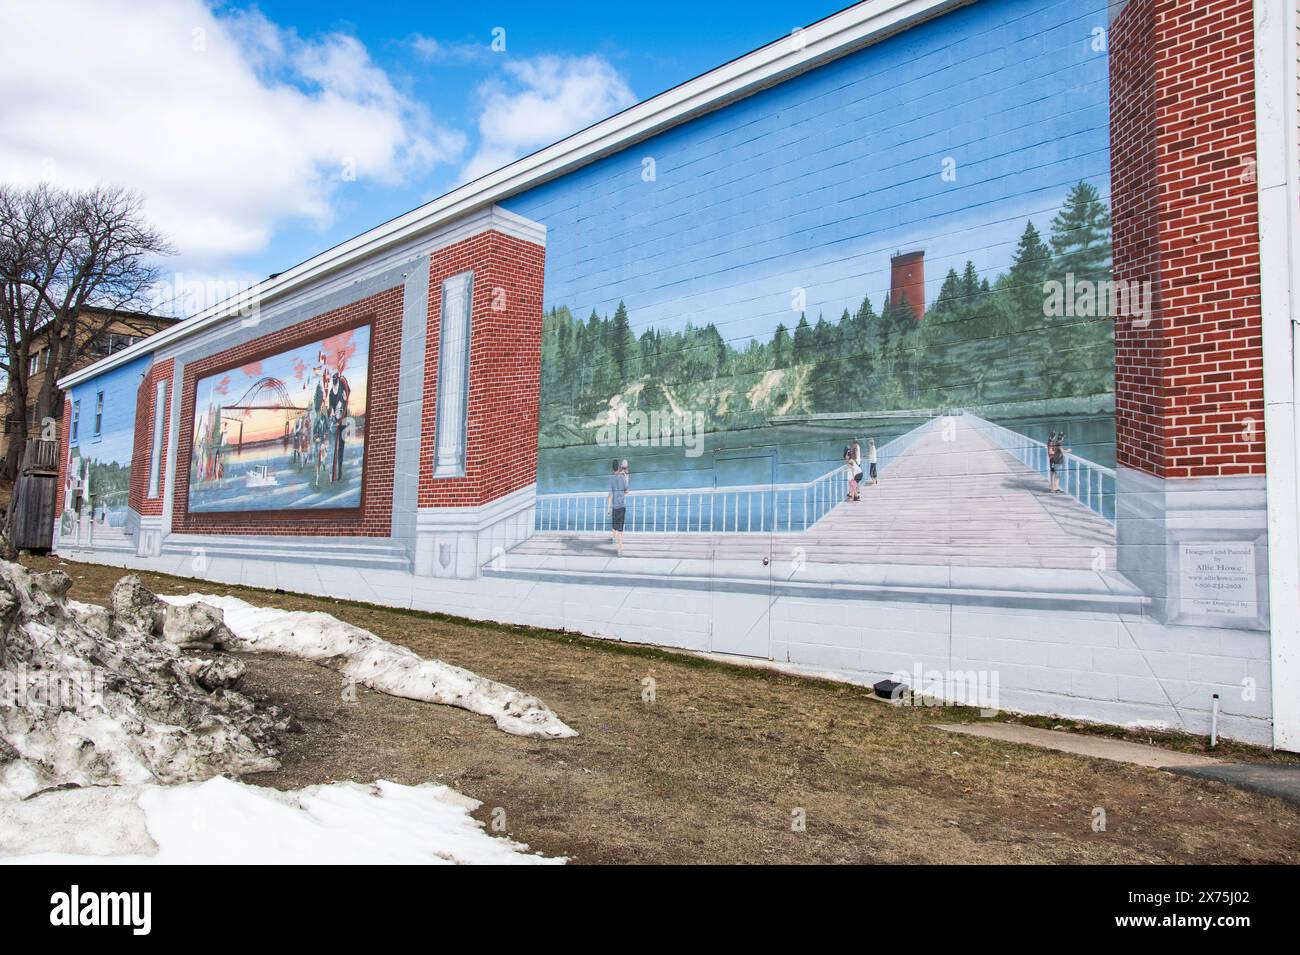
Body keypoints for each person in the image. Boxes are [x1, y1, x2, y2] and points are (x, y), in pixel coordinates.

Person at [607, 458, 630, 555]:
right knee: (620, 530)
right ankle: (619, 550)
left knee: (614, 525)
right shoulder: (622, 477)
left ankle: (613, 538)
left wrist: (608, 509)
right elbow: (626, 490)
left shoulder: (611, 479)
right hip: (622, 506)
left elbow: (610, 495)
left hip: (615, 507)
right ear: (619, 467)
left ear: (612, 468)